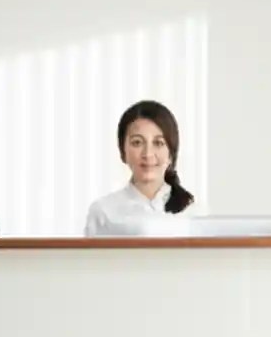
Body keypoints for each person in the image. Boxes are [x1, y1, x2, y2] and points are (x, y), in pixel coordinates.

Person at [84, 100, 198, 236]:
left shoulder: (193, 211)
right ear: (122, 150)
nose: (148, 154)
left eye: (158, 143)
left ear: (171, 153)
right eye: (137, 142)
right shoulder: (103, 212)